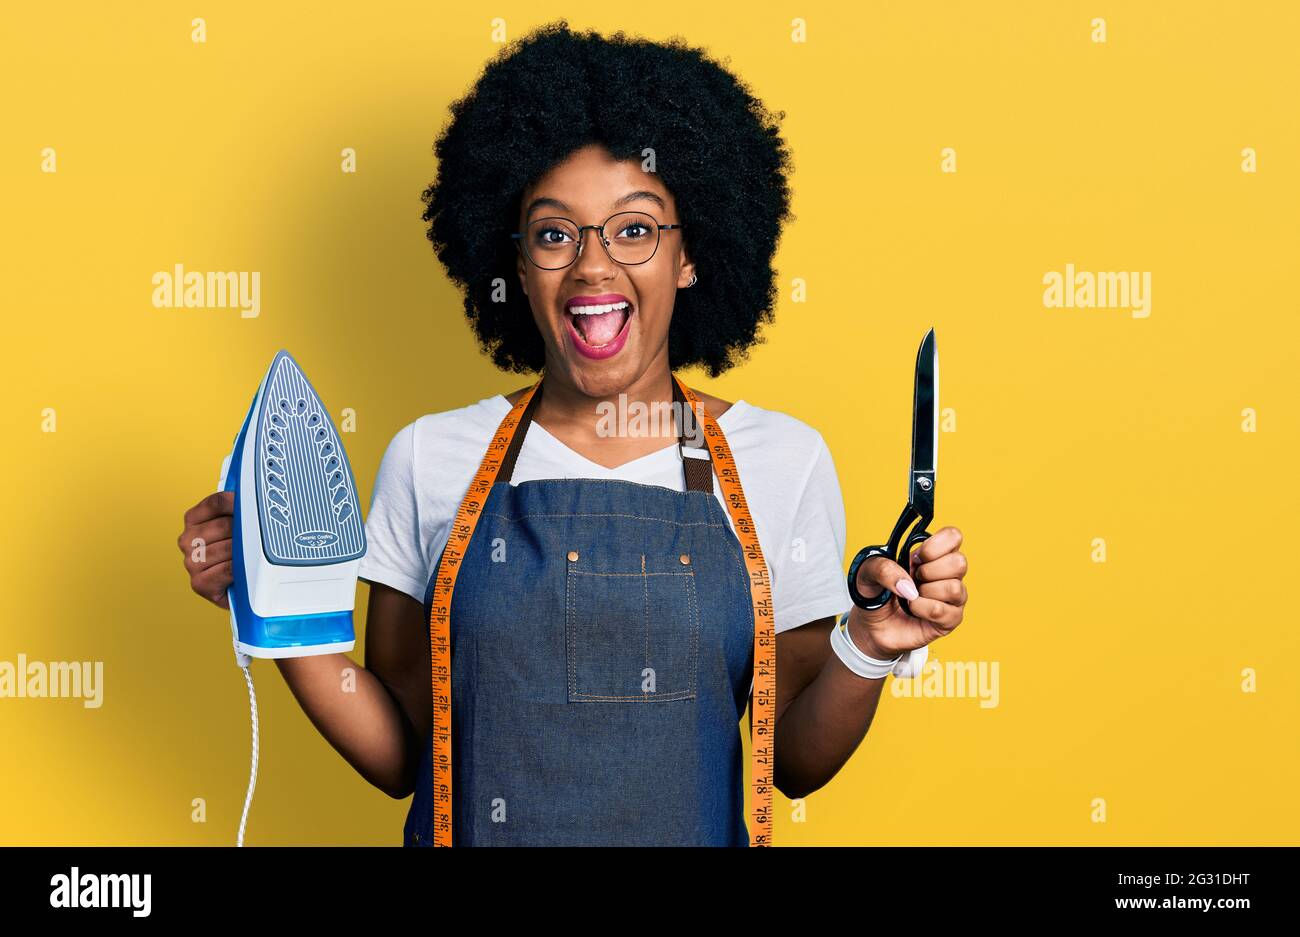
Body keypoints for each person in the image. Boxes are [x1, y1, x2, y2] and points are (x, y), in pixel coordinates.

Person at [177, 20, 969, 846]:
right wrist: (275, 605)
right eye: (555, 233)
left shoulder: (784, 460)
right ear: (516, 263)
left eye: (634, 229)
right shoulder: (429, 457)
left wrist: (873, 643)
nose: (592, 265)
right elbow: (400, 751)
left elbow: (794, 759)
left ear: (690, 256)